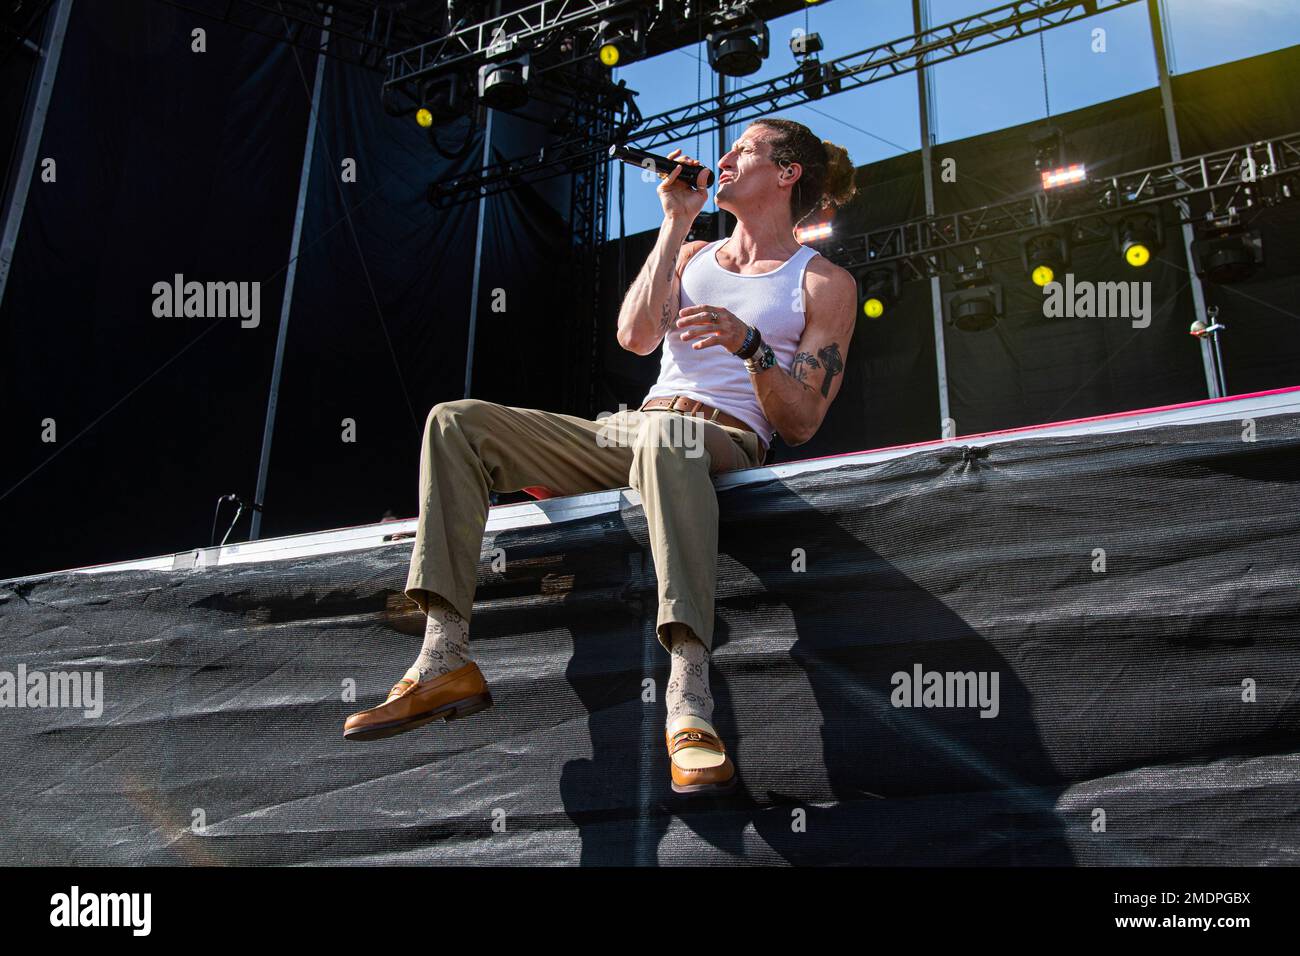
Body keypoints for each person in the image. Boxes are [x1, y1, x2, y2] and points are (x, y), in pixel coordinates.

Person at [344, 117, 859, 796]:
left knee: (668, 440)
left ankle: (689, 700)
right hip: (639, 428)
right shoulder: (691, 255)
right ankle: (443, 658)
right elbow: (636, 337)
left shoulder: (822, 281)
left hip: (724, 440)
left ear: (788, 173)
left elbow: (801, 421)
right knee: (456, 424)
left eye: (746, 150)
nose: (725, 157)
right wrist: (676, 220)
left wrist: (751, 346)